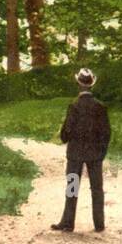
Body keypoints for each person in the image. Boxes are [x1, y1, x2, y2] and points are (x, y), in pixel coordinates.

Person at [51, 68, 110, 233]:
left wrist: (64, 136)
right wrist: (101, 152)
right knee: (97, 189)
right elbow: (106, 133)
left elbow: (65, 133)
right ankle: (99, 224)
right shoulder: (100, 107)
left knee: (72, 186)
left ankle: (68, 222)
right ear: (92, 85)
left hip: (75, 153)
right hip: (95, 154)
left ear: (79, 84)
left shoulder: (74, 106)